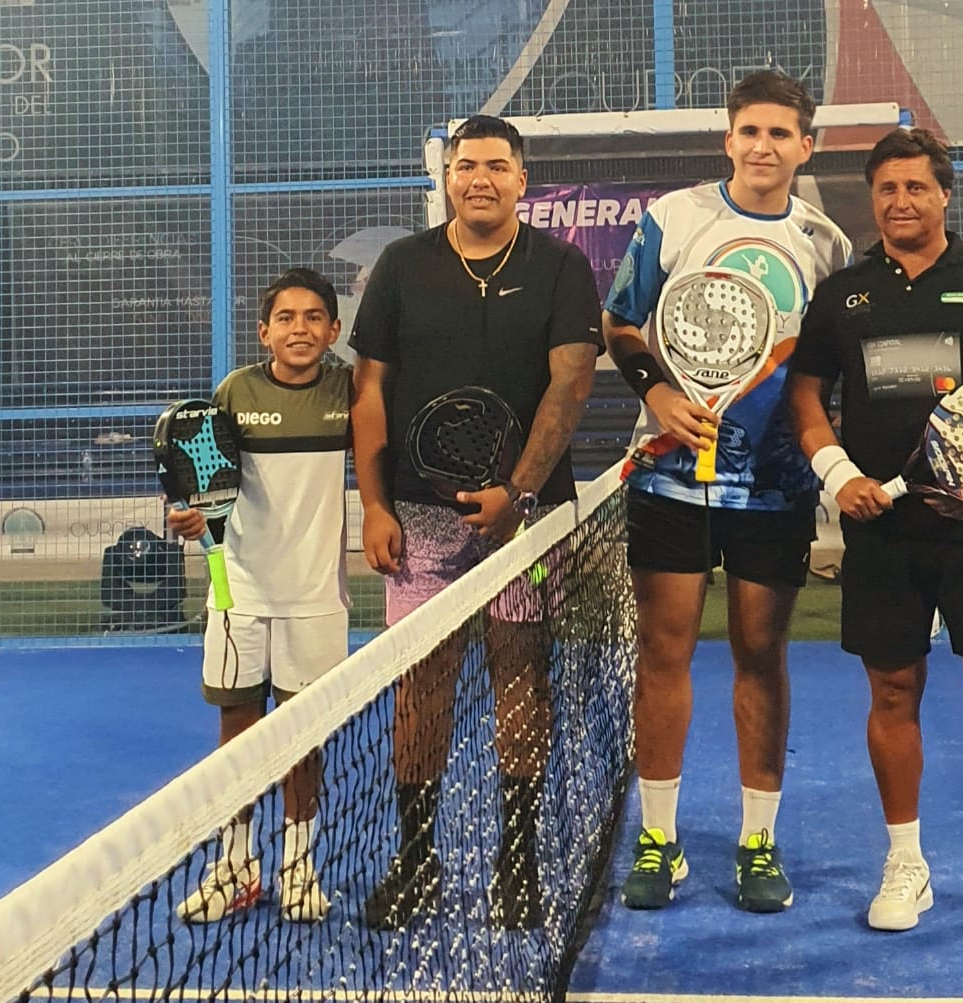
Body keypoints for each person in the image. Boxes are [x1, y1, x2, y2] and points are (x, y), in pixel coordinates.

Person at [788, 127, 963, 938]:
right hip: (882, 534)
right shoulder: (843, 296)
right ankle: (906, 861)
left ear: (945, 194)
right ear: (872, 199)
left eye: (917, 187)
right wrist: (841, 476)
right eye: (887, 189)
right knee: (891, 691)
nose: (902, 201)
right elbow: (806, 397)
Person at [602, 70, 853, 914]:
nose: (764, 146)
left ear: (805, 147)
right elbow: (621, 321)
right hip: (670, 474)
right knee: (663, 653)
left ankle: (756, 841)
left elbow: (821, 369)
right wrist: (654, 391)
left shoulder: (827, 243)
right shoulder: (675, 218)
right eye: (751, 131)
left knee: (761, 655)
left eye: (782, 134)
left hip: (774, 488)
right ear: (729, 139)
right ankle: (659, 838)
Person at [349, 114, 602, 930]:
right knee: (422, 686)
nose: (480, 178)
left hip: (525, 525)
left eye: (497, 164)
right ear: (447, 179)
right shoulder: (400, 266)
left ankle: (517, 860)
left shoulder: (562, 266)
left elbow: (570, 387)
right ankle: (417, 860)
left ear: (523, 180)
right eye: (465, 166)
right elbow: (370, 394)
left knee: (520, 677)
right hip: (418, 519)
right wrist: (375, 504)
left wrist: (519, 494)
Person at [167, 267, 352, 925]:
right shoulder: (234, 393)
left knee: (305, 739)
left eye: (312, 318)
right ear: (263, 330)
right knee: (239, 733)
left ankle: (298, 868)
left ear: (333, 331)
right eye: (286, 318)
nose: (298, 329)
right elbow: (209, 487)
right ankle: (235, 866)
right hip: (236, 592)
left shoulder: (349, 392)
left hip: (317, 601)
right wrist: (192, 517)